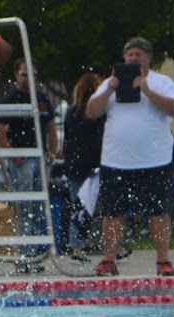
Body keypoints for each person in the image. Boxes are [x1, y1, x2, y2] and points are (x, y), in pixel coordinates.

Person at [86, 37, 174, 278]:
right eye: (129, 55)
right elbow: (91, 112)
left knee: (158, 212)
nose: (132, 59)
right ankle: (109, 259)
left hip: (154, 160)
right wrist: (110, 88)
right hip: (116, 160)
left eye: (138, 55)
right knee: (113, 212)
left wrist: (147, 90)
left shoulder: (162, 82)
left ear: (148, 58)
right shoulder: (110, 83)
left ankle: (163, 259)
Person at [0, 59, 58, 266]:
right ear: (16, 75)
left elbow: (51, 127)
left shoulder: (41, 99)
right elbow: (0, 131)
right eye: (24, 74)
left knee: (39, 206)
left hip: (40, 157)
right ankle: (26, 253)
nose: (28, 79)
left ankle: (36, 250)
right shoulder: (9, 100)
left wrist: (52, 153)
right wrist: (13, 156)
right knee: (25, 207)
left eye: (32, 75)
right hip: (22, 158)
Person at [61, 72, 105, 260]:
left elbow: (68, 139)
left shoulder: (72, 112)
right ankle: (110, 244)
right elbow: (100, 139)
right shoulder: (99, 112)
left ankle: (76, 247)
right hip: (95, 163)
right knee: (104, 206)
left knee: (77, 206)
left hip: (75, 164)